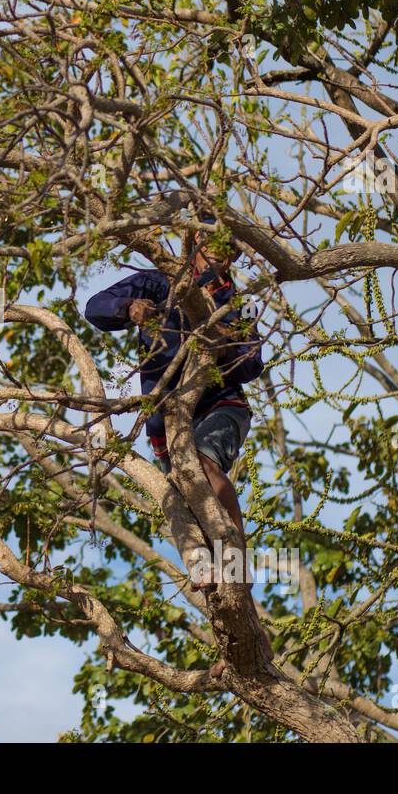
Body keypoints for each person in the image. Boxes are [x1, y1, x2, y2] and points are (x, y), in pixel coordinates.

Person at [84, 222, 263, 592]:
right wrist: (130, 307)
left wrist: (222, 344)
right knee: (180, 503)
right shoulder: (156, 281)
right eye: (215, 240)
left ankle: (236, 568)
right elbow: (95, 308)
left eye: (232, 247)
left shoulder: (238, 305)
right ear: (195, 237)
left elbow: (251, 364)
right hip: (165, 418)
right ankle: (208, 581)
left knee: (204, 465)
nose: (223, 250)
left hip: (219, 403)